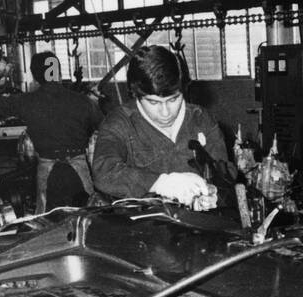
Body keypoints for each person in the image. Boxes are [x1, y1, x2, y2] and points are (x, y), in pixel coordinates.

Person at [91, 45, 229, 206]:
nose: (165, 112)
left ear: (183, 89)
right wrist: (160, 183)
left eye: (173, 100)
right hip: (141, 225)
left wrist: (213, 194)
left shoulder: (201, 119)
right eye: (153, 102)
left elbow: (225, 172)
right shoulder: (119, 122)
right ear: (137, 95)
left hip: (196, 223)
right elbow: (104, 171)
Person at [0, 50, 102, 212]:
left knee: (43, 218)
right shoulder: (83, 101)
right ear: (58, 73)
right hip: (79, 166)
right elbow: (105, 126)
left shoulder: (26, 102)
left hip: (47, 167)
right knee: (92, 212)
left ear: (35, 77)